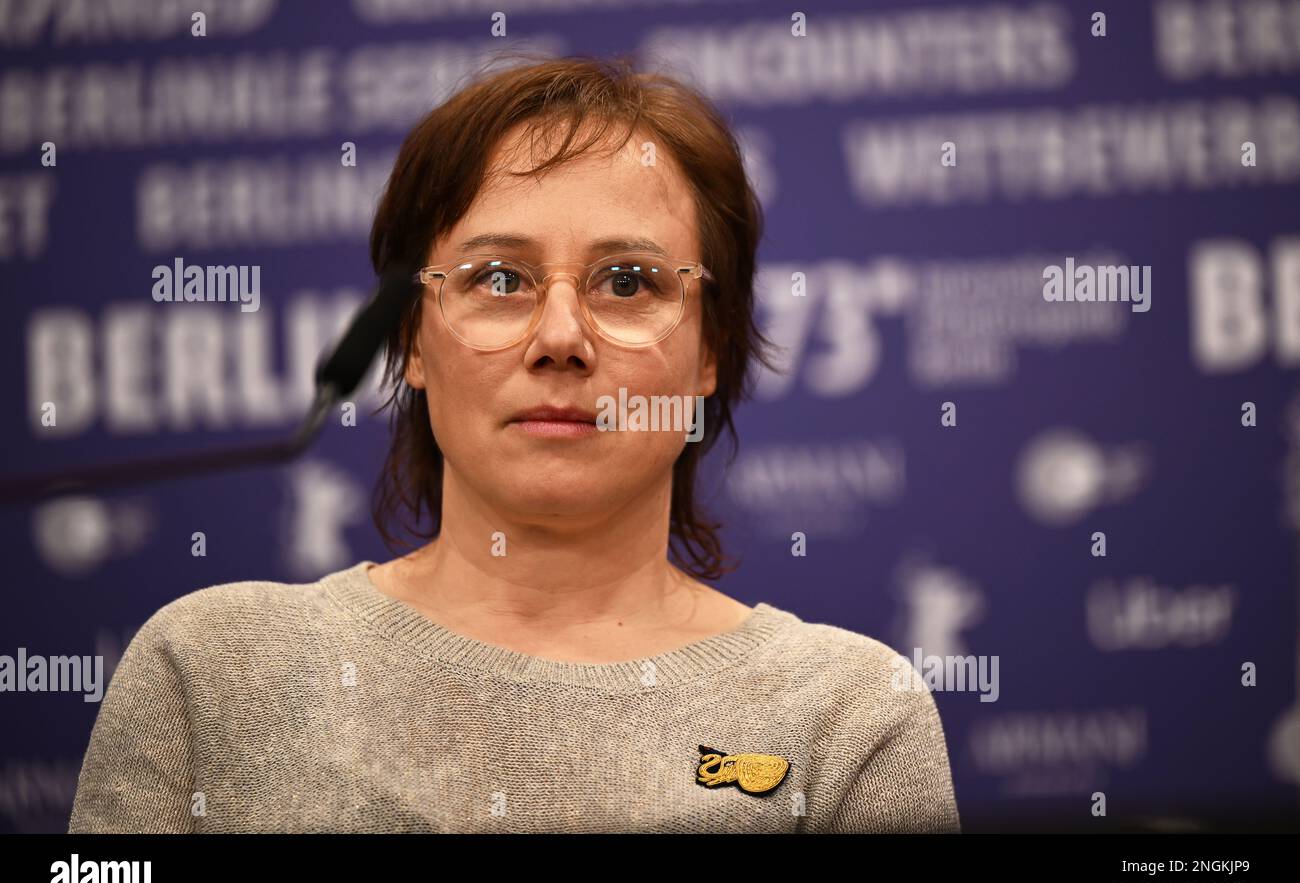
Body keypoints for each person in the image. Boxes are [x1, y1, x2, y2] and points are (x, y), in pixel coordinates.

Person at [67, 54, 960, 834]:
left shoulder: (847, 716)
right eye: (499, 278)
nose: (560, 336)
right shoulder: (213, 672)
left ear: (709, 355)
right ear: (413, 338)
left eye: (629, 282)